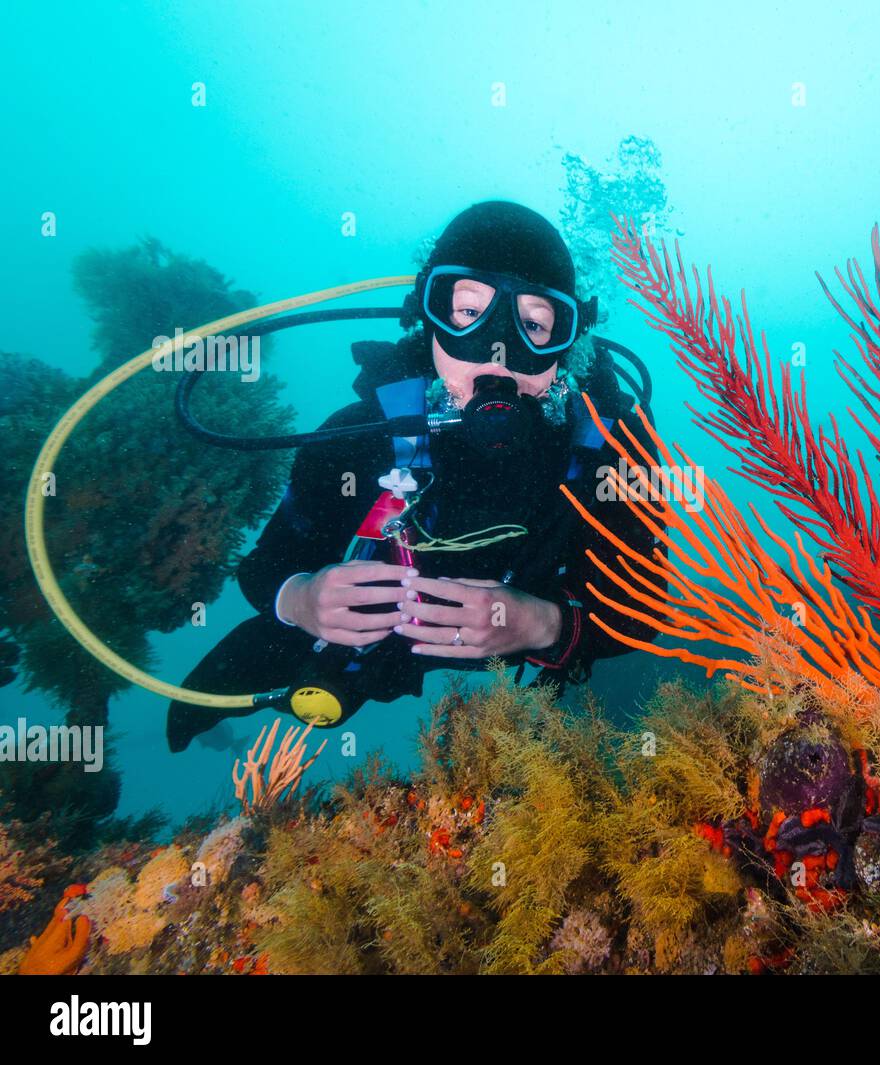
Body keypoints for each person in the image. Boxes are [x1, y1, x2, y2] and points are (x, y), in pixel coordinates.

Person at [166, 201, 663, 752]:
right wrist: (300, 599)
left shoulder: (610, 450)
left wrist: (542, 625)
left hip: (533, 658)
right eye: (467, 311)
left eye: (535, 324)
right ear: (428, 315)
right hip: (379, 651)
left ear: (568, 340)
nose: (498, 352)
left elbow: (645, 610)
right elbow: (266, 565)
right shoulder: (358, 439)